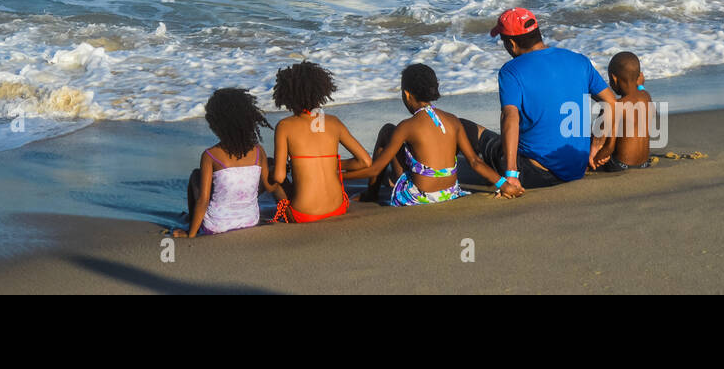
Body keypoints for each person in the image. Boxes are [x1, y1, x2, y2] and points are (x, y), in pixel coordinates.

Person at [460, 8, 617, 191]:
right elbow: (611, 103)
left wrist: (511, 174)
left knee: (458, 126)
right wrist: (598, 143)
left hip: (537, 173)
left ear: (511, 43)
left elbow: (510, 117)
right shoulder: (578, 60)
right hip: (577, 168)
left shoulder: (511, 71)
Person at [349, 63, 520, 204]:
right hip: (450, 192)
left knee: (388, 130)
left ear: (407, 94)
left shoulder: (407, 126)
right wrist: (504, 185)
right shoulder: (453, 120)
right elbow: (475, 162)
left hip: (417, 197)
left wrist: (337, 176)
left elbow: (375, 169)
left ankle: (371, 194)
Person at [174, 88, 286, 237]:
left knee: (196, 176)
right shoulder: (259, 151)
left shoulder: (210, 155)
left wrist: (190, 234)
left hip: (216, 226)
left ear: (215, 123)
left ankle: (191, 222)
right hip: (250, 221)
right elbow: (270, 187)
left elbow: (203, 200)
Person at [271, 61, 372, 223]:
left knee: (275, 184)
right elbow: (365, 161)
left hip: (304, 214)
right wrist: (332, 164)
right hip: (339, 207)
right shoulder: (333, 122)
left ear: (286, 95)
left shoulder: (284, 126)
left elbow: (279, 176)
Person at [589, 51, 656, 171]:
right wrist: (639, 85)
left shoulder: (618, 107)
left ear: (614, 79)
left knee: (590, 136)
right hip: (644, 164)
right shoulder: (646, 96)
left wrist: (597, 159)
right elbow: (640, 90)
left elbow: (609, 147)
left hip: (621, 165)